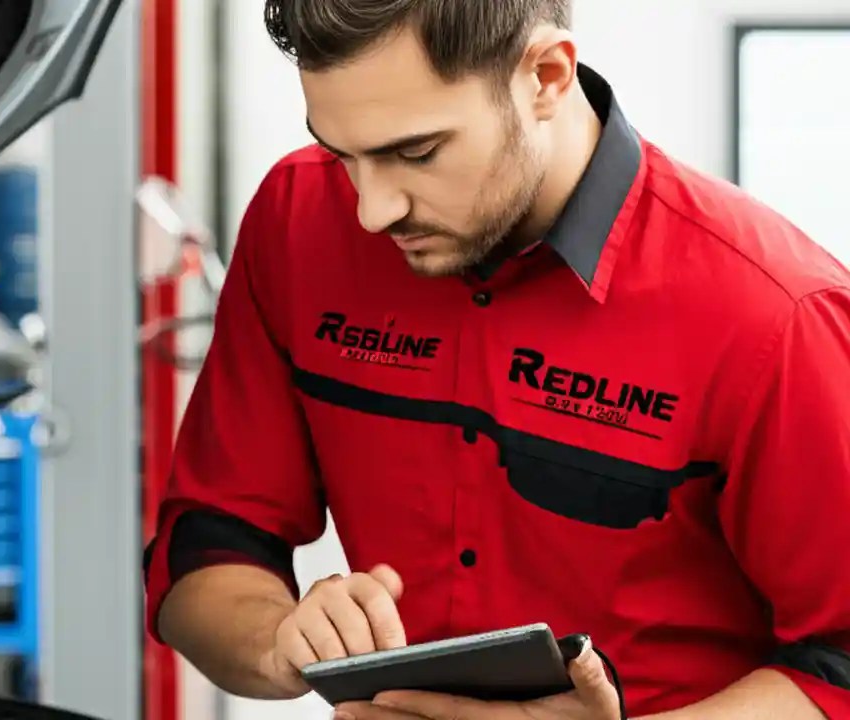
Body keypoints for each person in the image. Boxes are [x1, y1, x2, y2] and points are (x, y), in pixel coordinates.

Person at [142, 0, 850, 718]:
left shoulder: (778, 315)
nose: (371, 210)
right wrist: (277, 640)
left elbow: (842, 665)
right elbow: (205, 546)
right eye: (342, 152)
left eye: (415, 152)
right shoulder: (295, 221)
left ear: (545, 76)